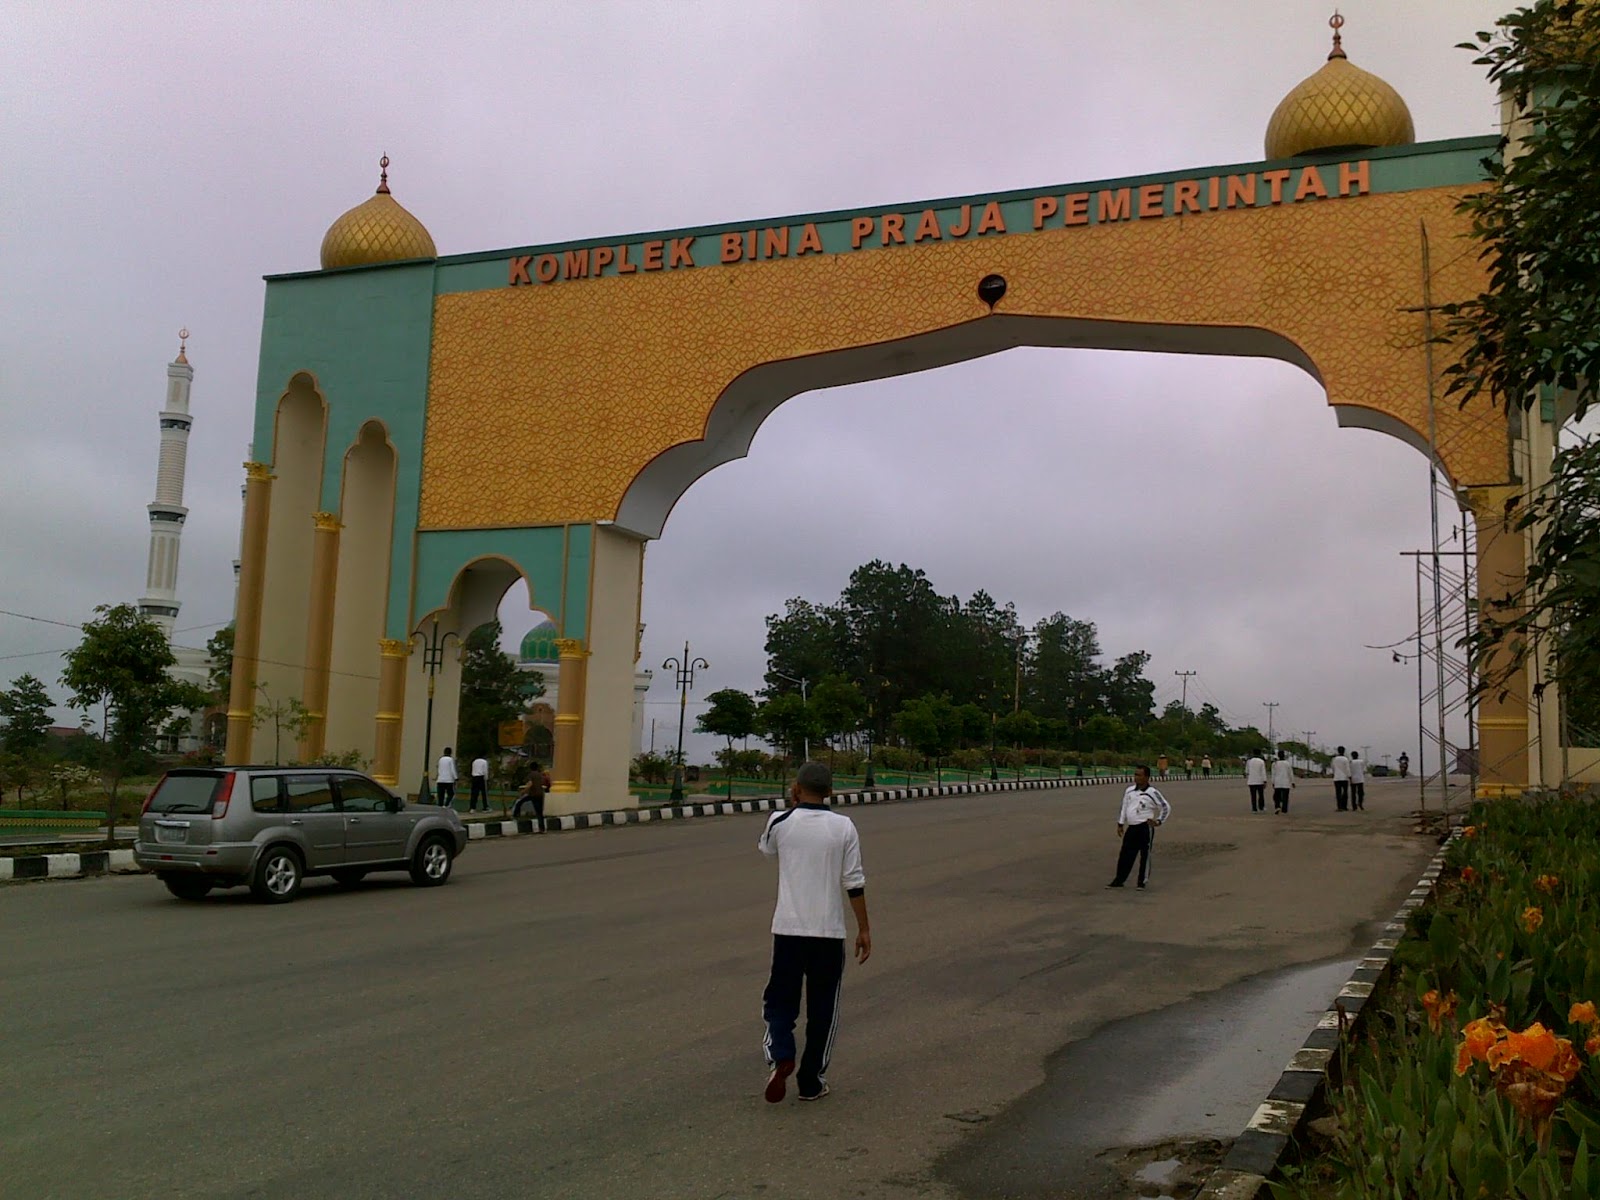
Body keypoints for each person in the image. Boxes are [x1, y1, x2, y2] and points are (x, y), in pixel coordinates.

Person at [758, 762, 870, 1104]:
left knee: (779, 1000)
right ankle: (811, 1081)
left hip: (788, 929)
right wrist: (864, 928)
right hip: (828, 932)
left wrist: (792, 807)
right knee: (823, 1009)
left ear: (796, 787)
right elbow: (854, 882)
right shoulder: (844, 827)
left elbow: (767, 850)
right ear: (831, 792)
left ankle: (781, 1053)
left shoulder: (780, 822)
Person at [1108, 765, 1170, 889]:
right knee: (1125, 854)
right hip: (1132, 827)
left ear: (1147, 777)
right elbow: (1124, 807)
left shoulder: (1152, 792)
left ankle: (1142, 881)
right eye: (1135, 774)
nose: (1136, 778)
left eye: (1139, 775)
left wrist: (1158, 821)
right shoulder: (1129, 791)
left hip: (1145, 827)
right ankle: (1119, 880)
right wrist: (1120, 823)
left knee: (1145, 855)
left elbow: (1165, 807)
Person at [517, 761, 550, 830]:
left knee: (520, 802)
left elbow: (530, 784)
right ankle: (542, 828)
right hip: (540, 794)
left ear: (530, 768)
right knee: (540, 812)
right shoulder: (540, 775)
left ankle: (516, 815)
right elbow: (542, 784)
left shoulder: (531, 775)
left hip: (533, 795)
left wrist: (523, 791)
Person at [1271, 749, 1295, 813]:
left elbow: (1273, 774)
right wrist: (1293, 782)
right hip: (1286, 782)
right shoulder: (1287, 763)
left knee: (1276, 796)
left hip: (1277, 782)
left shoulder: (1274, 764)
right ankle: (1284, 809)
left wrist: (1273, 782)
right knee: (1285, 797)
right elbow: (1290, 773)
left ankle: (1277, 806)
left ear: (1278, 756)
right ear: (1284, 755)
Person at [1331, 746, 1351, 811]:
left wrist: (1334, 774)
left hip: (1336, 778)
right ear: (1344, 751)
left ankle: (1339, 807)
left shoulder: (1334, 759)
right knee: (1345, 793)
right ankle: (1344, 806)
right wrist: (1349, 776)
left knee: (1338, 793)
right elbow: (1347, 769)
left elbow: (1333, 768)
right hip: (1344, 778)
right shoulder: (1345, 759)